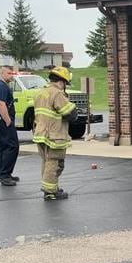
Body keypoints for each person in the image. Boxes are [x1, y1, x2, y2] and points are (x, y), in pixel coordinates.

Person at [31, 66, 79, 201]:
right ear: (62, 81)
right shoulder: (57, 94)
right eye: (65, 83)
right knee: (55, 163)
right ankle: (50, 192)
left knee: (47, 162)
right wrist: (74, 108)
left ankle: (51, 188)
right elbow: (70, 114)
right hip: (54, 135)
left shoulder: (40, 93)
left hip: (40, 133)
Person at [0, 65, 19, 186]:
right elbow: (0, 104)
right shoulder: (1, 86)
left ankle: (5, 174)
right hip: (3, 121)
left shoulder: (0, 85)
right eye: (9, 73)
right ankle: (5, 175)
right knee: (12, 146)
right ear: (2, 73)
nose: (11, 75)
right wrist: (7, 120)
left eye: (12, 73)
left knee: (2, 147)